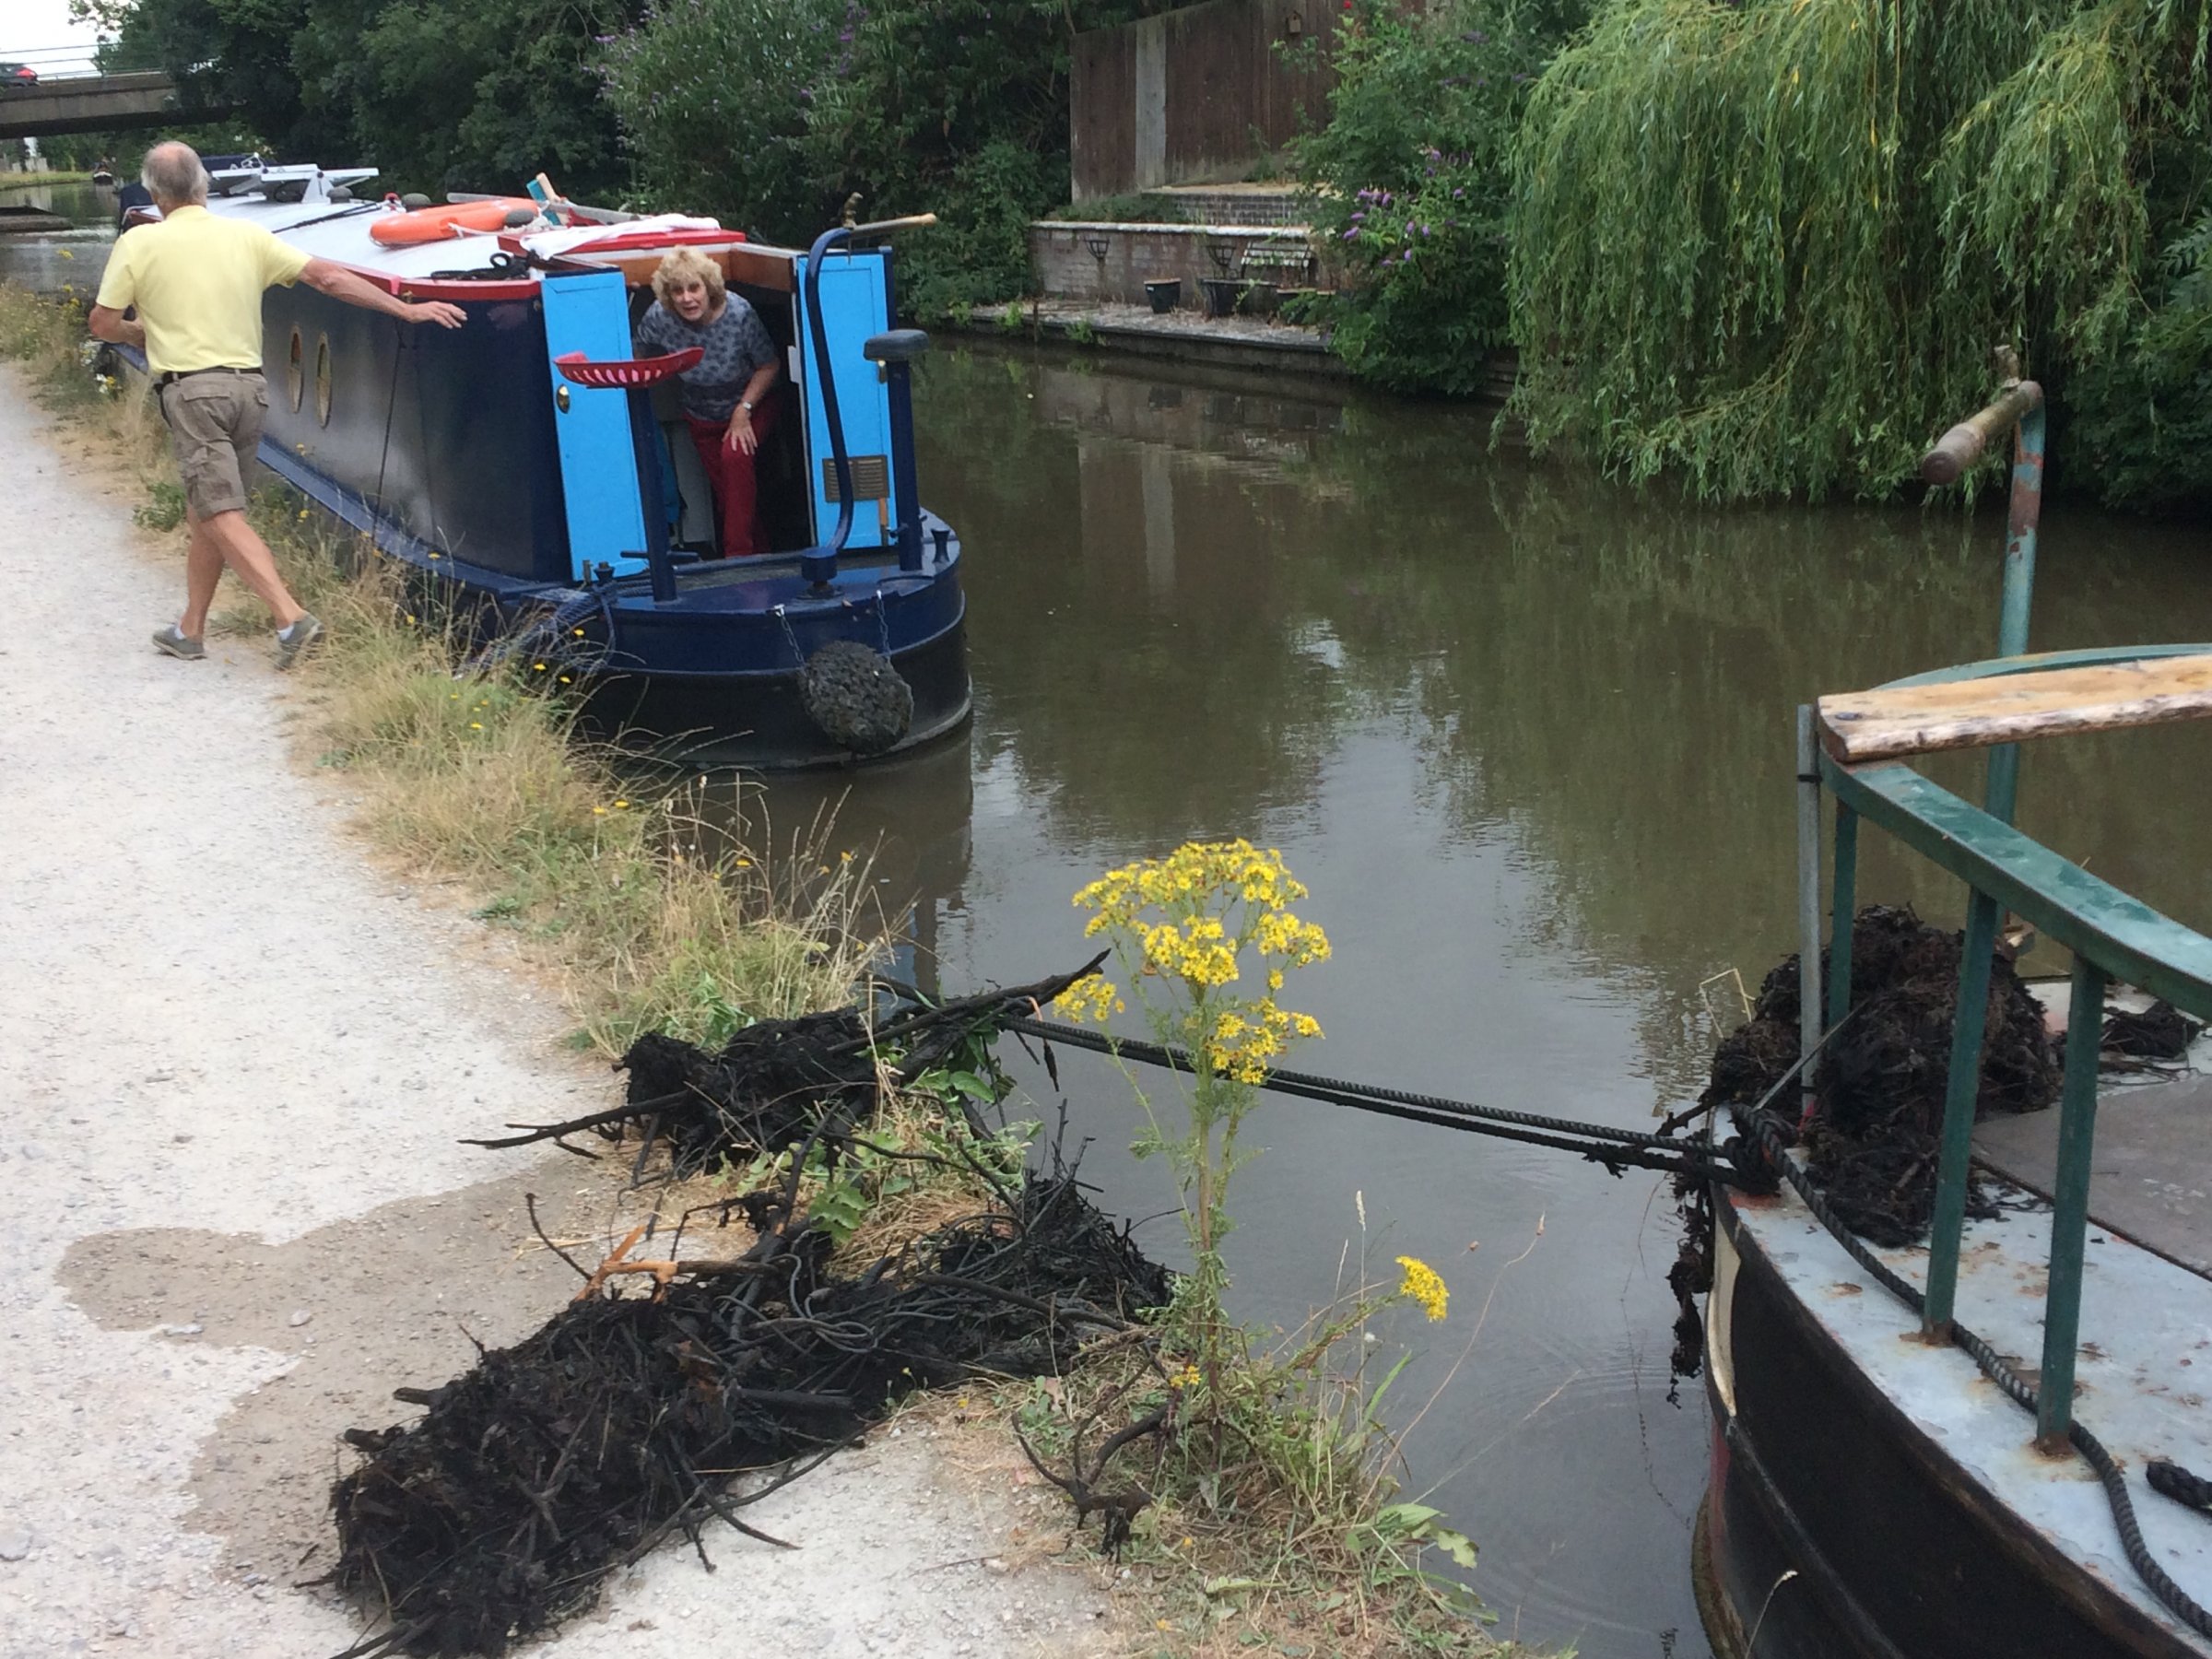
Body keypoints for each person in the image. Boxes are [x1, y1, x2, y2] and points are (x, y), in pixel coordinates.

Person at [88, 141, 466, 667]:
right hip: (250, 391)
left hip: (193, 392)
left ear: (153, 192)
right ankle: (190, 629)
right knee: (207, 512)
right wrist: (406, 311)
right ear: (202, 186)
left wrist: (139, 333)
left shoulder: (140, 243)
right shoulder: (247, 236)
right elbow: (328, 278)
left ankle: (290, 619)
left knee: (219, 509)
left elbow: (102, 324)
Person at [634, 247, 782, 559]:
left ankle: (737, 560)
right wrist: (645, 375)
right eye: (678, 291)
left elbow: (769, 365)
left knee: (735, 458)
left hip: (749, 406)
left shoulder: (739, 313)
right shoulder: (660, 317)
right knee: (731, 496)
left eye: (694, 288)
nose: (687, 298)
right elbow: (639, 350)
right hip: (701, 415)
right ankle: (763, 556)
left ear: (708, 287)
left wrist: (744, 411)